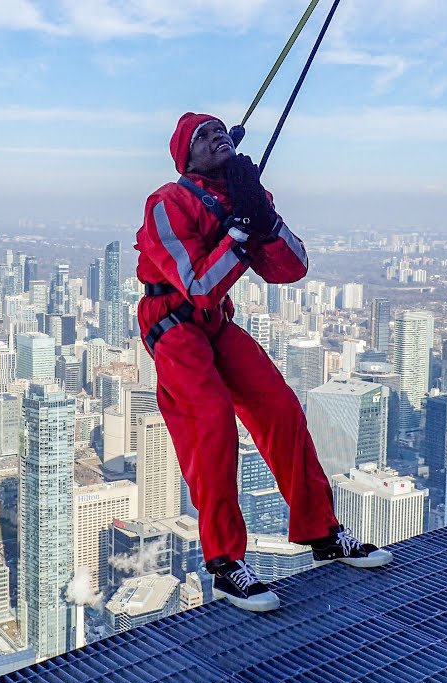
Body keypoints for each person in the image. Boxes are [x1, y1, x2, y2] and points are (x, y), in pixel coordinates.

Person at [133, 112, 391, 612]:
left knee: (281, 410)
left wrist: (263, 220)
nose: (217, 137)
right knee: (211, 423)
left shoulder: (246, 196)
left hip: (214, 322)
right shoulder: (167, 202)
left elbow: (292, 267)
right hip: (173, 323)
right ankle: (226, 564)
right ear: (185, 158)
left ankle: (322, 533)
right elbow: (200, 285)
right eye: (203, 136)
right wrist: (242, 231)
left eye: (220, 130)